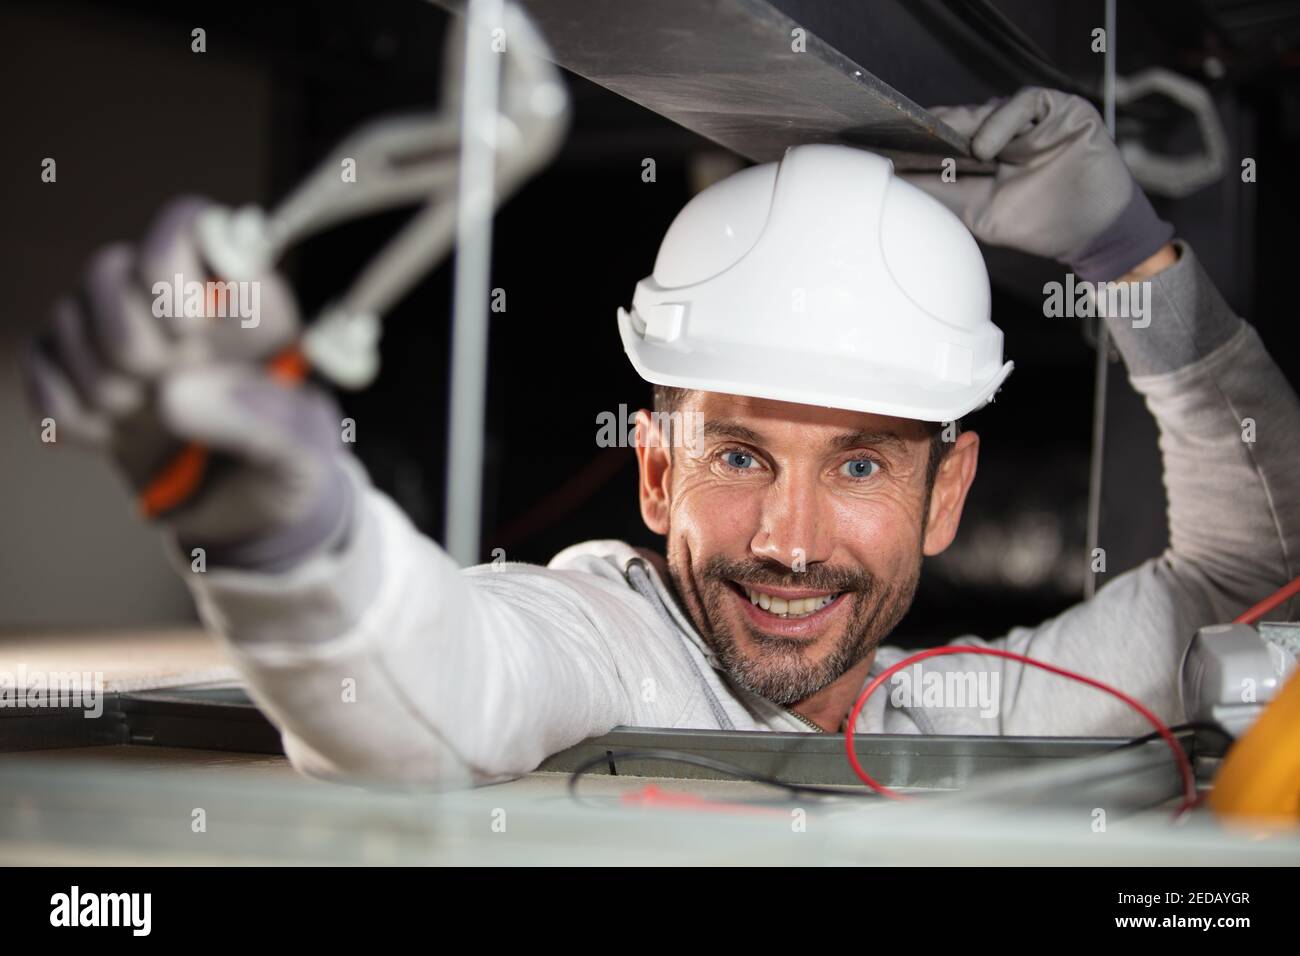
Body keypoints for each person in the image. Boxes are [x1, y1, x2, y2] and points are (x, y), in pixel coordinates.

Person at [23, 88, 1300, 787]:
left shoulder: (956, 710)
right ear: (652, 468)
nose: (789, 543)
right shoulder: (614, 645)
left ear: (946, 489)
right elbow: (438, 695)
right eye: (738, 455)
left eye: (859, 463)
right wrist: (285, 527)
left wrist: (1128, 257)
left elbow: (1261, 566)